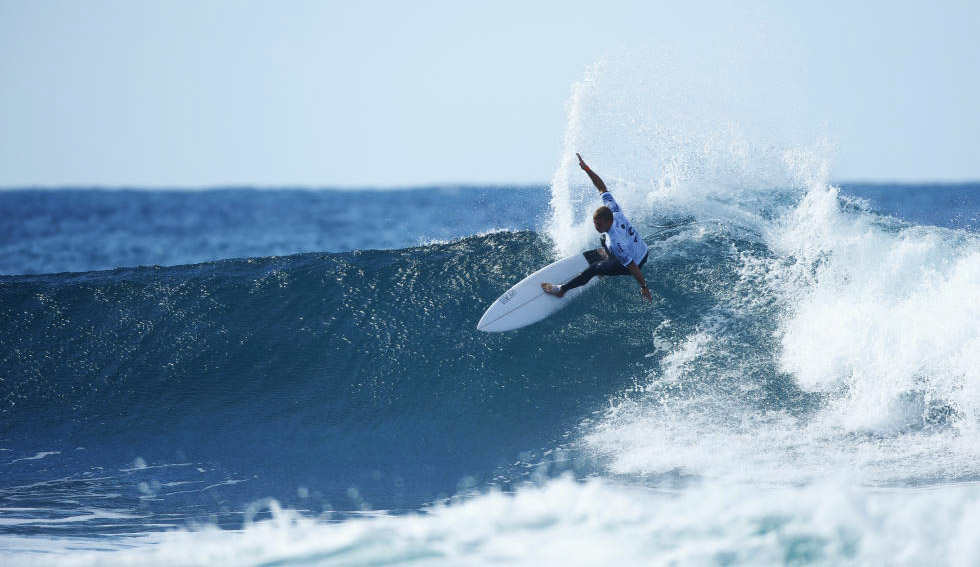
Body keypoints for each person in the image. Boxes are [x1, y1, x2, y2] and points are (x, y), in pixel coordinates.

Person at [541, 153, 651, 302]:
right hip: (642, 248)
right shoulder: (614, 209)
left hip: (637, 261)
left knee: (594, 268)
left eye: (598, 224)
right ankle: (609, 259)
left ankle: (561, 290)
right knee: (602, 238)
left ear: (608, 221)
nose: (595, 226)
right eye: (594, 223)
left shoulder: (615, 242)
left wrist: (643, 286)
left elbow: (632, 266)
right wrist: (586, 169)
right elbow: (601, 187)